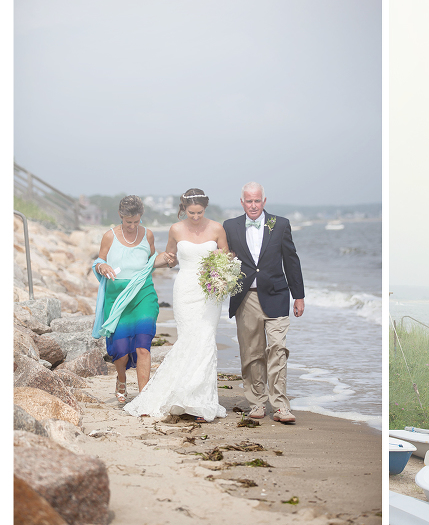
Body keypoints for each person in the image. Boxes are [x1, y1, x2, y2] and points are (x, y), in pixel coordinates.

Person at [124, 189, 229, 423]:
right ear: (184, 209)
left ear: (205, 209)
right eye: (191, 212)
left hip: (209, 292)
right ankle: (183, 396)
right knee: (189, 340)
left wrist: (223, 271)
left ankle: (201, 402)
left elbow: (227, 256)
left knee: (204, 339)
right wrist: (148, 265)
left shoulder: (217, 228)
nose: (195, 216)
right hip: (185, 289)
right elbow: (169, 257)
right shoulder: (176, 229)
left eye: (199, 212)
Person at [223, 182, 305, 424]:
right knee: (252, 353)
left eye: (257, 201)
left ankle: (280, 406)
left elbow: (291, 260)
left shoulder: (280, 224)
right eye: (249, 201)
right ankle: (257, 402)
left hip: (277, 295)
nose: (253, 205)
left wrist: (298, 295)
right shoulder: (230, 226)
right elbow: (225, 259)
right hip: (245, 297)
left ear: (264, 201)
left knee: (278, 349)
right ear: (242, 202)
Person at [93, 195, 174, 403]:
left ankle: (144, 396)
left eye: (136, 221)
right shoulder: (109, 236)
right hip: (117, 297)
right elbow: (100, 260)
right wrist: (102, 266)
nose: (132, 226)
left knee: (143, 344)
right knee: (120, 350)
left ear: (141, 217)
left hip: (143, 293)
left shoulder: (147, 235)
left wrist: (167, 259)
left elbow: (152, 260)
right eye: (128, 222)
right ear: (121, 216)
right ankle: (121, 379)